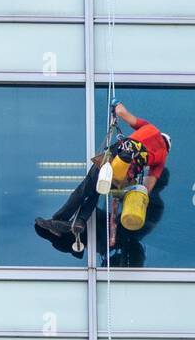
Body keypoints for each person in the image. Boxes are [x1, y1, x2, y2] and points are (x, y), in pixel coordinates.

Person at [35, 101, 171, 253]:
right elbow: (147, 187)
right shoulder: (162, 158)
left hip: (115, 160)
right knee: (95, 191)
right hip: (123, 177)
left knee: (85, 188)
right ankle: (80, 221)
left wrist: (116, 105)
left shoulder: (150, 128)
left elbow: (121, 112)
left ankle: (59, 220)